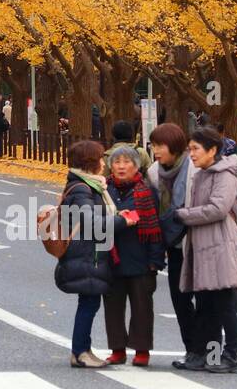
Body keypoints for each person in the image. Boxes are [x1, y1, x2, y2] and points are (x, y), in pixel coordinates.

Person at [174, 126, 237, 373]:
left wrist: (182, 215)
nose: (191, 154)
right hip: (202, 245)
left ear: (212, 150)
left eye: (195, 149)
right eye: (189, 149)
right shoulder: (202, 174)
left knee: (224, 305)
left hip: (220, 245)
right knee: (206, 305)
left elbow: (217, 209)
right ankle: (212, 357)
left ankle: (232, 355)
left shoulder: (225, 175)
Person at [102, 143, 164, 366]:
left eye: (126, 162)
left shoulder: (146, 191)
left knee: (142, 308)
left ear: (136, 166)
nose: (121, 166)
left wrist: (155, 261)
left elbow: (157, 228)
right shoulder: (104, 190)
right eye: (117, 162)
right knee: (113, 307)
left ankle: (141, 350)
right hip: (112, 259)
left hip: (141, 260)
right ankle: (117, 349)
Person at [55, 140, 114, 368]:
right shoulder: (82, 188)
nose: (103, 162)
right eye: (100, 158)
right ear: (90, 162)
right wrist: (121, 220)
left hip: (86, 251)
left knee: (89, 301)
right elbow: (90, 221)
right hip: (85, 252)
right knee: (89, 302)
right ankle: (80, 351)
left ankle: (83, 349)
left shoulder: (87, 185)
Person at [146, 123, 199, 367]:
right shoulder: (154, 172)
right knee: (180, 299)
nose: (155, 150)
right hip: (173, 244)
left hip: (198, 242)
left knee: (207, 301)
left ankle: (210, 352)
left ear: (175, 146)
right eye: (153, 145)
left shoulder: (194, 169)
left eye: (160, 145)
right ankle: (192, 350)